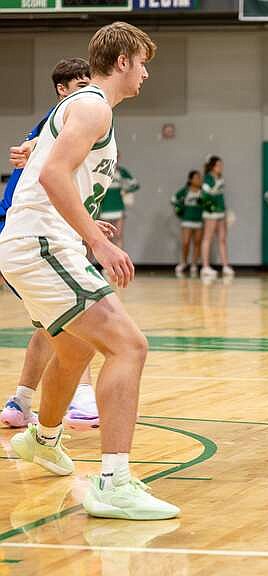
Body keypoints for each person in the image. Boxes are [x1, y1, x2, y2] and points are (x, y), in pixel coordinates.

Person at [0, 22, 178, 520]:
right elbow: (53, 173)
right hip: (40, 244)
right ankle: (114, 483)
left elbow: (44, 168)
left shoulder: (84, 108)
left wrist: (82, 222)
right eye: (142, 63)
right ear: (122, 61)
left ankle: (43, 440)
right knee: (129, 346)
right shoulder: (93, 105)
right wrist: (98, 241)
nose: (145, 73)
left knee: (75, 349)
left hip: (38, 241)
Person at [1, 58, 101, 431]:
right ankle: (81, 397)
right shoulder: (73, 113)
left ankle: (20, 402)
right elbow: (39, 153)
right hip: (27, 231)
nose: (89, 91)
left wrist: (85, 221)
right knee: (79, 313)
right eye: (81, 84)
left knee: (49, 322)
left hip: (30, 228)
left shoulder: (64, 119)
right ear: (63, 89)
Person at [199, 155, 233, 279]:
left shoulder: (220, 178)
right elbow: (204, 196)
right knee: (207, 238)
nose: (221, 167)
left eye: (221, 164)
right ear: (212, 166)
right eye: (218, 165)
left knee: (222, 238)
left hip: (220, 212)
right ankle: (205, 267)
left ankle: (225, 265)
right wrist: (211, 207)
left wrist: (225, 210)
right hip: (211, 212)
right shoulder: (208, 178)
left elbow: (220, 196)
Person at [96, 159, 138, 249]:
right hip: (104, 208)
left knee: (118, 236)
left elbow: (135, 184)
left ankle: (119, 257)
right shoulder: (101, 170)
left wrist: (125, 191)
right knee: (106, 237)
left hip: (118, 208)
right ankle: (106, 258)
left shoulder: (120, 171)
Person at [172, 170, 204, 277]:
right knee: (186, 242)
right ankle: (184, 262)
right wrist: (179, 210)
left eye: (199, 178)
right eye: (196, 178)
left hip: (198, 220)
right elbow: (174, 199)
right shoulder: (185, 191)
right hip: (187, 220)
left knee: (197, 242)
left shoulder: (202, 191)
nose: (199, 180)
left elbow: (207, 203)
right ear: (190, 180)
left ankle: (194, 264)